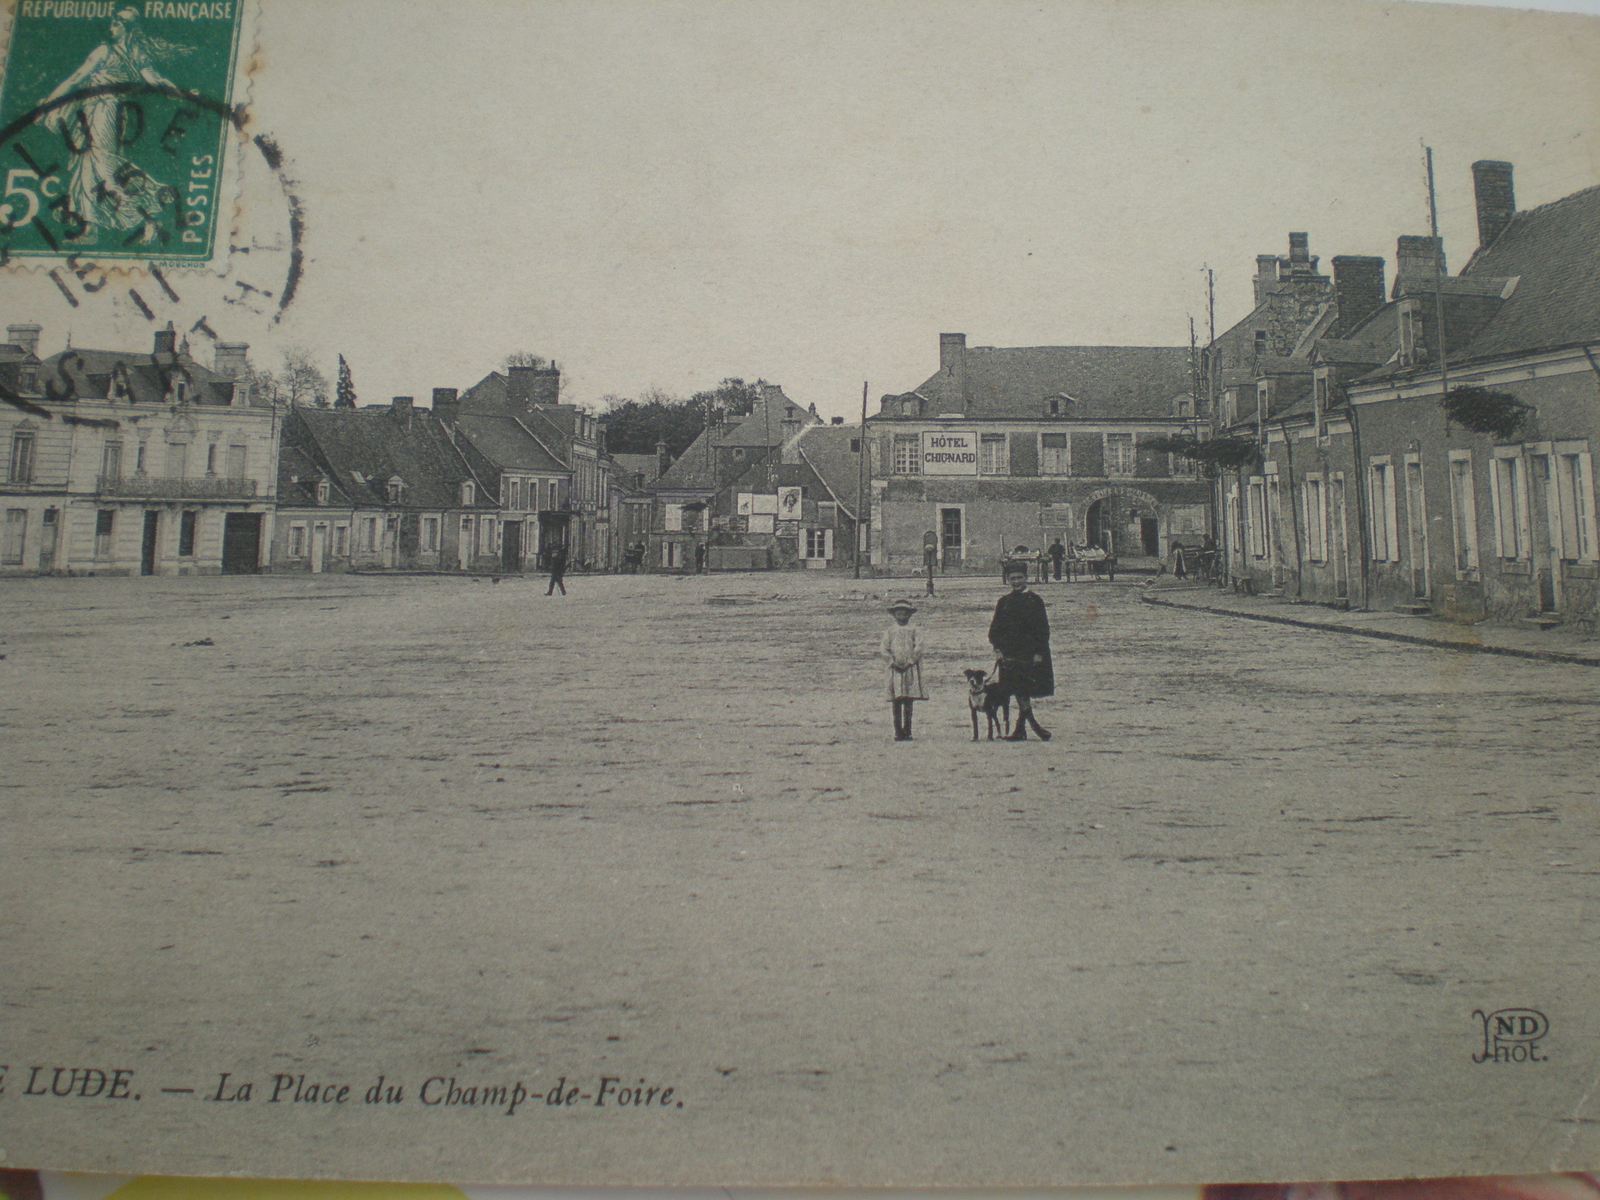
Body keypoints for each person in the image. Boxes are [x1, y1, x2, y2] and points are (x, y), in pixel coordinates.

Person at [40, 9, 185, 245]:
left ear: (129, 27)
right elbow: (78, 77)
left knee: (98, 162)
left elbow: (154, 81)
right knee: (88, 166)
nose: (112, 25)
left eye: (118, 22)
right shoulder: (120, 51)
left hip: (103, 112)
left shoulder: (117, 52)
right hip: (100, 112)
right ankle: (99, 226)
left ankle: (150, 204)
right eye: (113, 20)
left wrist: (49, 102)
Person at [988, 561, 1053, 741]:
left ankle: (1024, 729)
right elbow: (995, 629)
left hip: (1029, 655)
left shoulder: (1035, 601)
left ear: (1026, 578)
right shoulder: (1004, 602)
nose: (1016, 582)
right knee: (1018, 691)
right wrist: (998, 649)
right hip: (1009, 655)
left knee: (1023, 691)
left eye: (1019, 578)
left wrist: (1039, 652)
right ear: (1008, 580)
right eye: (1012, 579)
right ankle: (1026, 729)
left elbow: (1042, 629)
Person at [881, 599, 926, 741]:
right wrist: (892, 662)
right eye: (898, 613)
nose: (902, 616)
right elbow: (884, 648)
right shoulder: (890, 631)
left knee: (908, 699)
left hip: (909, 669)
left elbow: (919, 647)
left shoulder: (915, 630)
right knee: (896, 699)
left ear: (909, 615)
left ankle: (908, 730)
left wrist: (910, 661)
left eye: (904, 613)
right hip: (895, 669)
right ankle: (897, 731)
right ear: (894, 615)